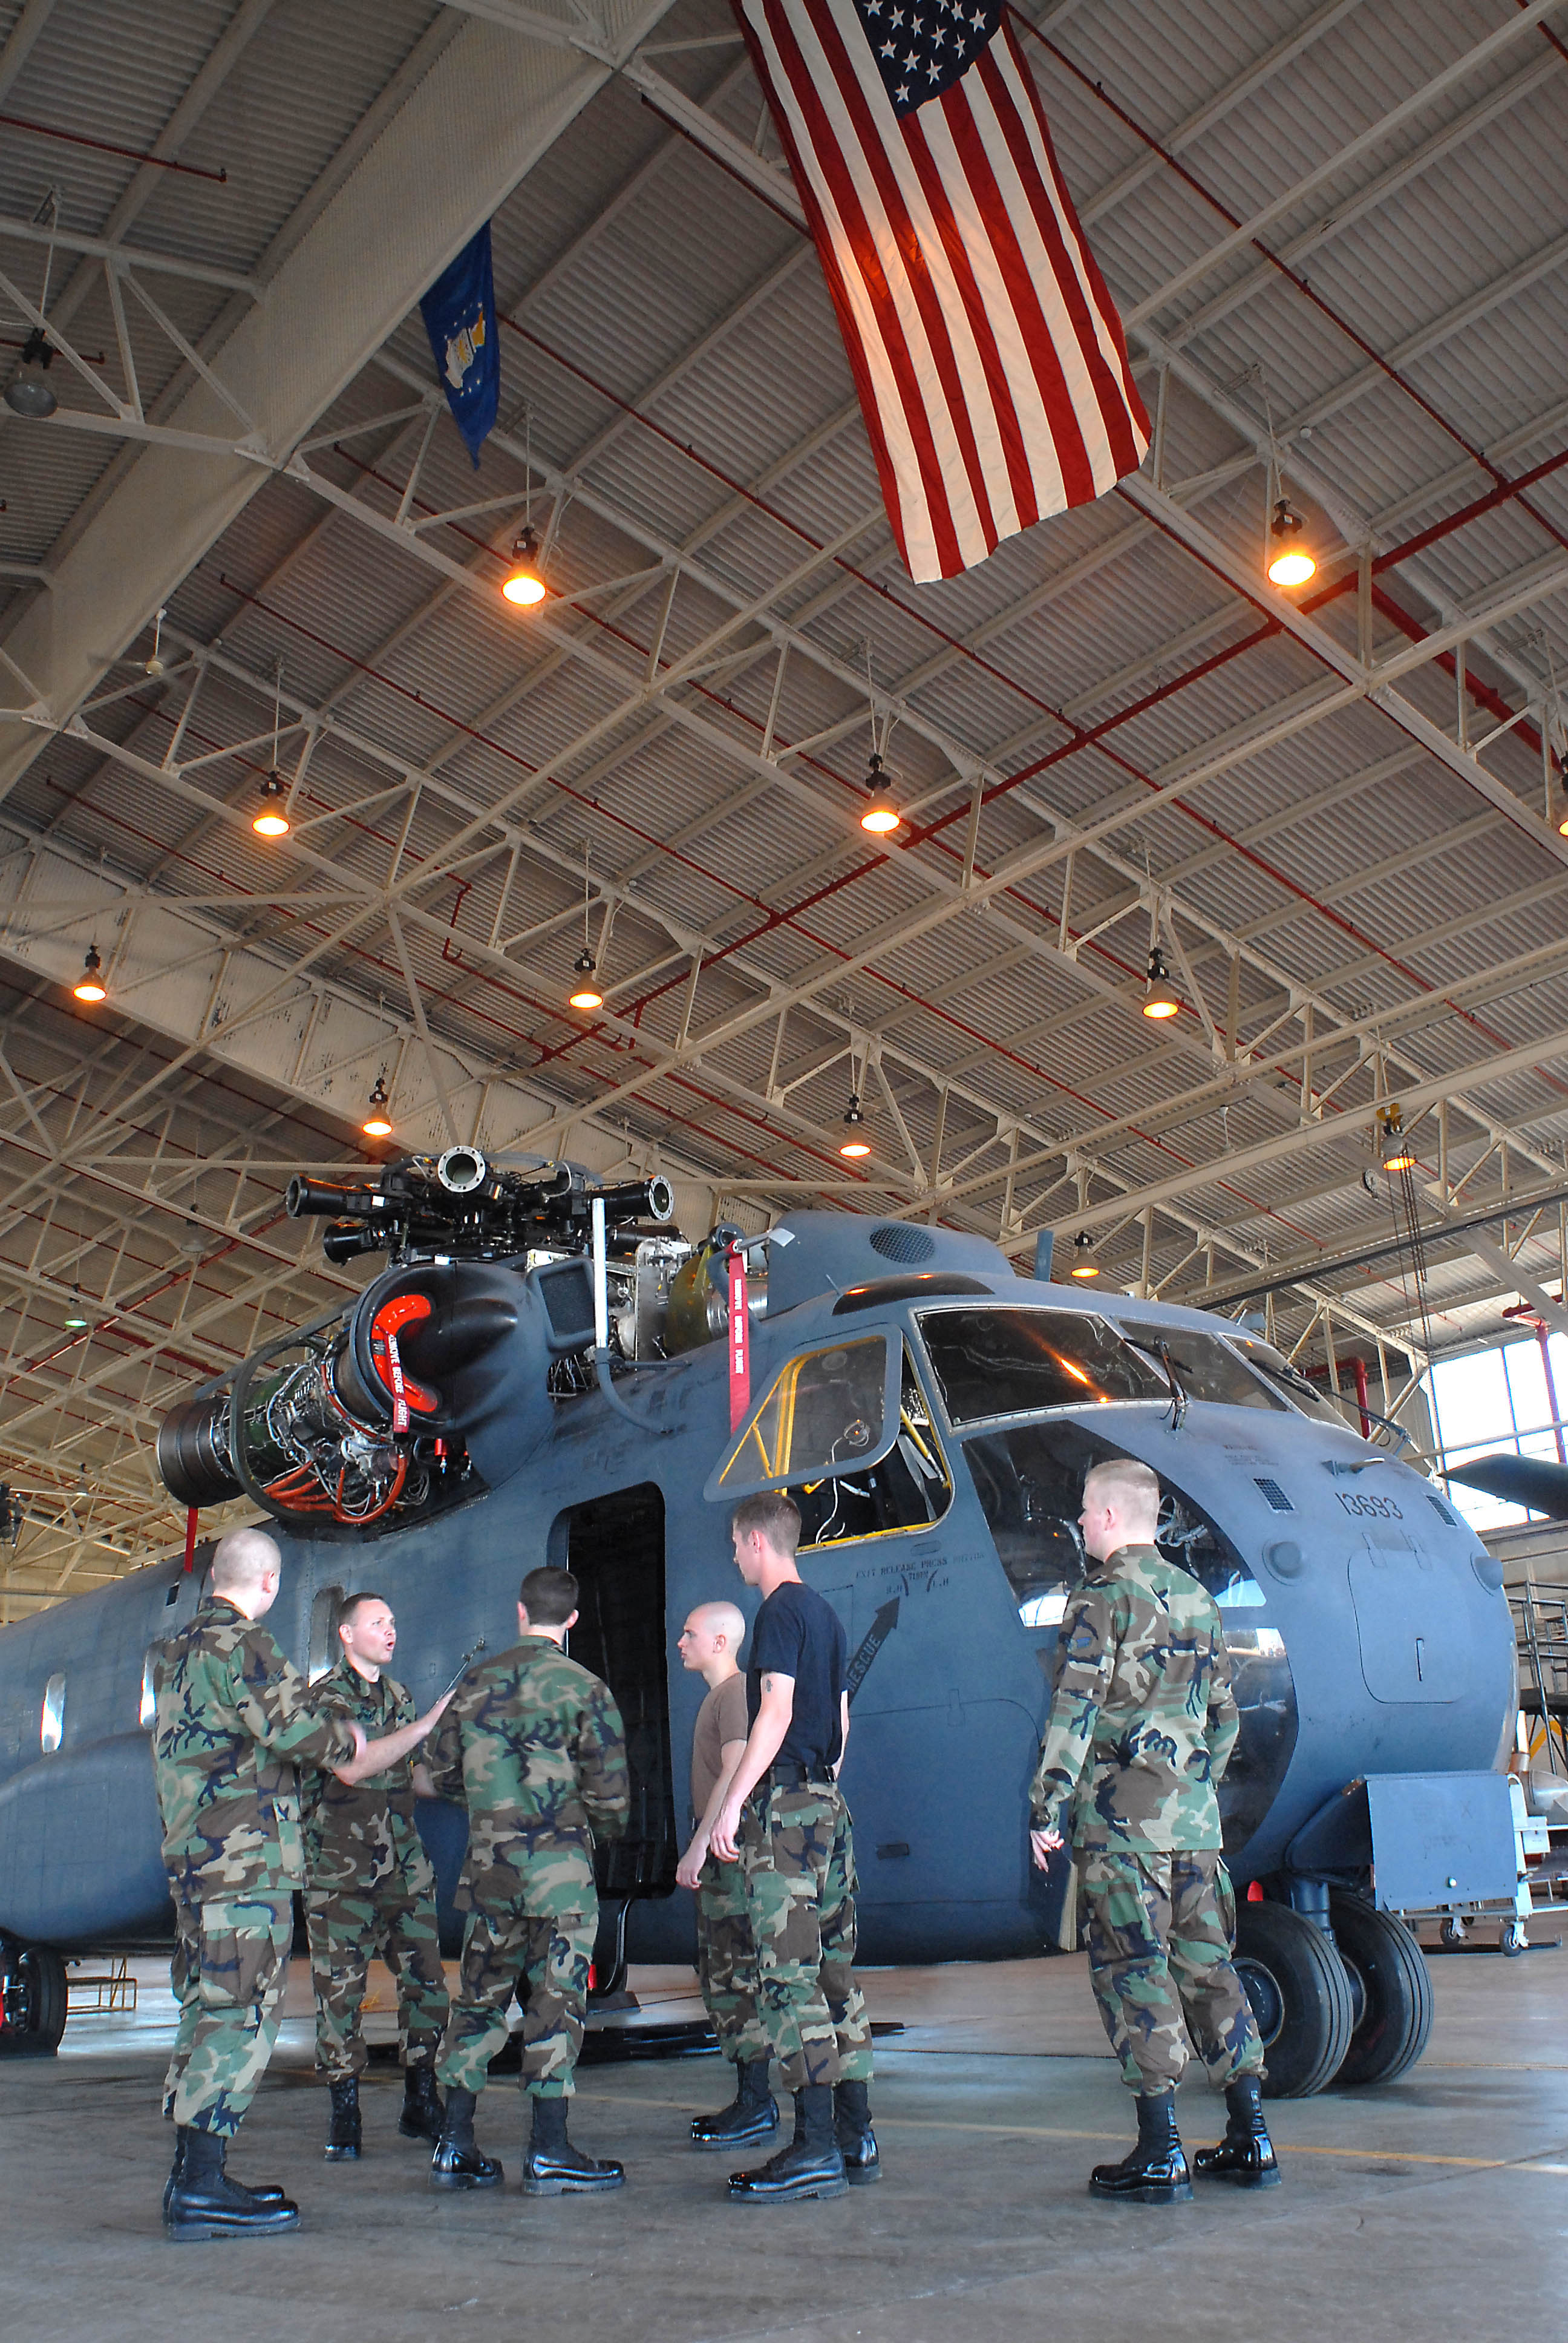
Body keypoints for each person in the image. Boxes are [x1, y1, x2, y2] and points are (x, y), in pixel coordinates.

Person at [151, 1527, 449, 2241]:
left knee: (204, 2008)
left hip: (197, 1859)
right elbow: (316, 1741)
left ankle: (191, 2172)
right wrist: (364, 1732)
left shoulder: (181, 1652)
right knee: (240, 2015)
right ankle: (200, 2186)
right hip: (242, 1864)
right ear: (270, 1582)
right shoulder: (245, 1646)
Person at [1028, 1458, 1279, 2206]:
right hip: (1195, 1825)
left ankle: (1161, 2148)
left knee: (1135, 1969)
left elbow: (1074, 1711)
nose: (1078, 1522)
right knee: (1210, 1967)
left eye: (1082, 1509)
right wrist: (1194, 1784)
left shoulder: (1100, 1597)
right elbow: (1227, 1716)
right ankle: (1251, 2134)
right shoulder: (1199, 1599)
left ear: (1107, 1516)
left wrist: (1047, 1803)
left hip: (1121, 1822)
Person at [426, 1565, 630, 2196]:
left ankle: (455, 2144)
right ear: (570, 1620)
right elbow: (613, 1798)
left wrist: (491, 1804)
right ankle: (549, 2150)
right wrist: (589, 1828)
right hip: (561, 1879)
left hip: (492, 1875)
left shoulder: (475, 1684)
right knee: (556, 2003)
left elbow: (440, 1773)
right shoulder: (586, 1688)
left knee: (478, 2002)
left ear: (520, 1612)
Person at [710, 1492, 877, 2204]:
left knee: (787, 1976)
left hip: (786, 1809)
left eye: (736, 1546)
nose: (736, 1558)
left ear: (754, 1541)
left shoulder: (778, 1612)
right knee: (836, 1970)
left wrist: (737, 1800)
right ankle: (855, 2133)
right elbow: (839, 1721)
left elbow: (773, 1711)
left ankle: (812, 2148)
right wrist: (822, 1792)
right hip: (829, 1806)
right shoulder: (828, 1614)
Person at [300, 1590, 451, 2161]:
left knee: (428, 1984)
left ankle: (421, 2098)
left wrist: (464, 1788)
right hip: (342, 1874)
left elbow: (406, 1776)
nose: (391, 1630)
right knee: (340, 1997)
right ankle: (346, 2114)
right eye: (377, 1622)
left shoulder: (398, 1696)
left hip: (404, 1868)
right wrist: (425, 1727)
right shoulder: (325, 1701)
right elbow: (353, 1767)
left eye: (393, 1621)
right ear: (346, 1634)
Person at [675, 1599, 777, 2149]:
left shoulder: (734, 1693)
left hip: (726, 1854)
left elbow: (737, 1766)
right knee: (724, 1976)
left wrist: (697, 1848)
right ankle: (751, 2099)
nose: (681, 1643)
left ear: (720, 1641)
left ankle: (758, 2103)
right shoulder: (721, 1697)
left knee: (735, 1975)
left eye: (690, 1634)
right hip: (722, 1850)